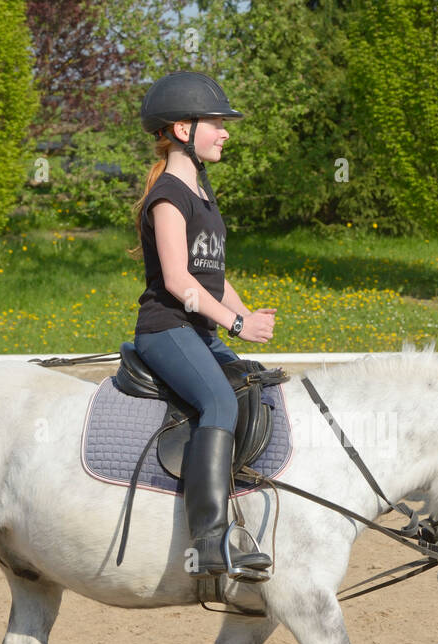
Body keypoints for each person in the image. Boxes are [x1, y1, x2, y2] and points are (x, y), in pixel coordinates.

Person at [130, 71, 277, 578]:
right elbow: (178, 281)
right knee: (217, 400)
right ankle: (210, 543)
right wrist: (237, 324)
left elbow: (212, 277)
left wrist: (246, 313)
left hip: (200, 330)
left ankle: (246, 515)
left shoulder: (203, 191)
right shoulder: (170, 195)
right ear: (184, 130)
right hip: (166, 329)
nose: (225, 131)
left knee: (254, 385)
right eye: (217, 122)